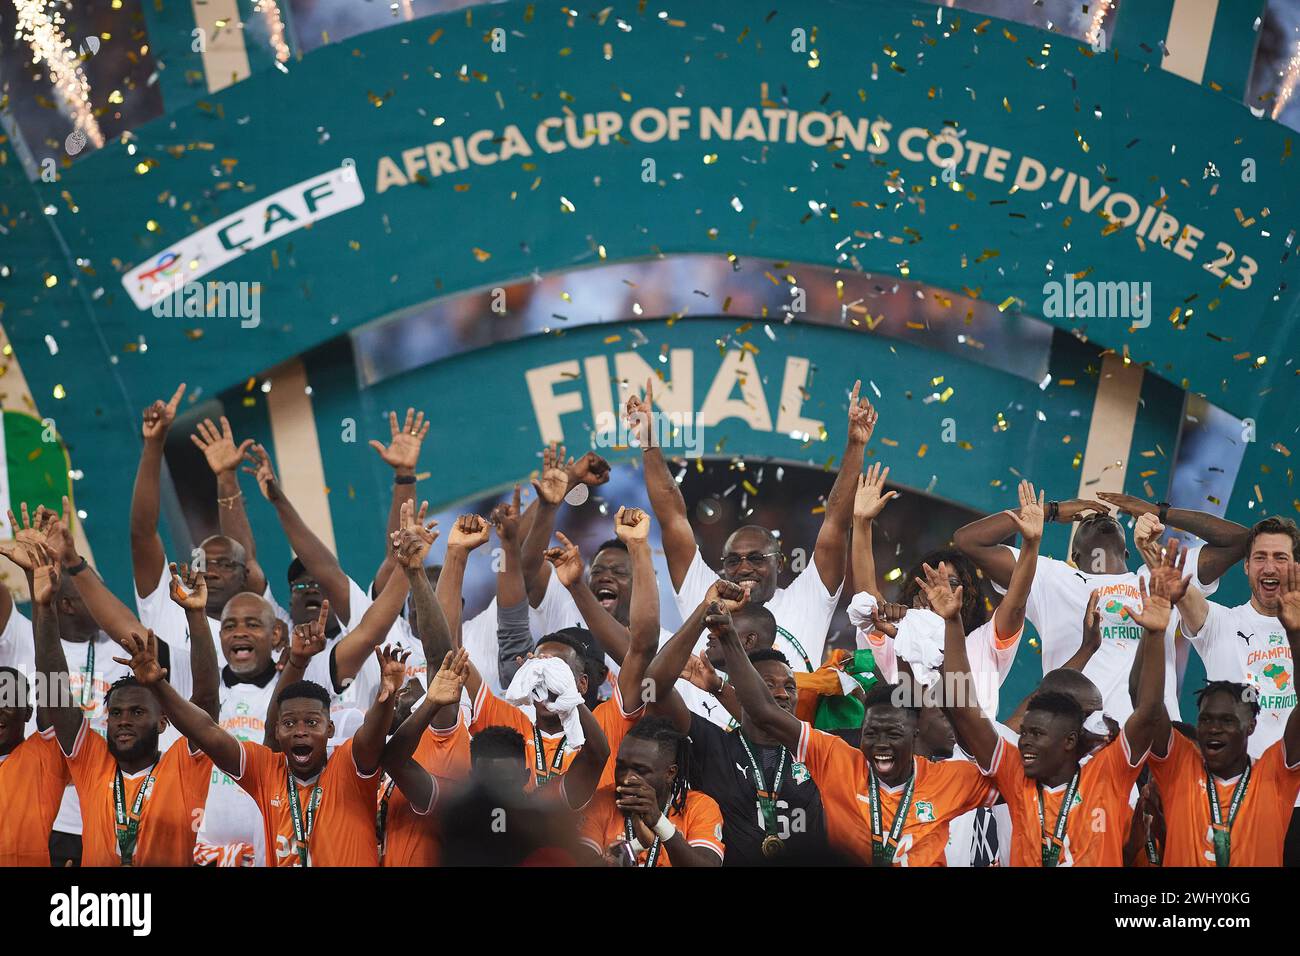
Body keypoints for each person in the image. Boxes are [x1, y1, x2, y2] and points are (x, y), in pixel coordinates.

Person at [940, 539, 1187, 866]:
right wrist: (952, 624)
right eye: (1025, 731)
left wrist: (1155, 635)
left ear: (1071, 739)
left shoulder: (1108, 773)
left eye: (1036, 734)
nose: (1023, 739)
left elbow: (1149, 711)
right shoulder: (1016, 772)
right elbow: (962, 710)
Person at [709, 593, 996, 866]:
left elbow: (962, 712)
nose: (881, 744)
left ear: (915, 736)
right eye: (871, 733)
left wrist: (951, 626)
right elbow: (765, 712)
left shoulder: (950, 778)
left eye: (894, 734)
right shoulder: (836, 760)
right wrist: (729, 637)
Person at [630, 377, 877, 675]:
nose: (744, 567)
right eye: (733, 560)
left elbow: (836, 523)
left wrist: (855, 446)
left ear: (781, 563)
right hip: (704, 725)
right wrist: (648, 444)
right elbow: (672, 518)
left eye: (757, 558)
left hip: (789, 723)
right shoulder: (704, 595)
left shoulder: (808, 599)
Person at [953, 491, 1247, 722]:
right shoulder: (1051, 578)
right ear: (1075, 555)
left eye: (1110, 520)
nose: (1098, 518)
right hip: (1075, 750)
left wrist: (1160, 512)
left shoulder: (1160, 575)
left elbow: (1241, 542)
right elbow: (968, 541)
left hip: (1151, 745)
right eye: (1085, 521)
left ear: (1128, 551)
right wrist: (1051, 511)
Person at [28, 537, 216, 867]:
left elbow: (206, 702)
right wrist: (43, 610)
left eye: (137, 711)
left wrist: (196, 617)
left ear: (163, 722)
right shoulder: (92, 763)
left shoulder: (183, 767)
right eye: (115, 713)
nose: (123, 720)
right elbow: (56, 693)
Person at [643, 579, 828, 862]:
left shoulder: (818, 751)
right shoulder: (712, 745)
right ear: (745, 691)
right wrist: (704, 612)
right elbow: (654, 688)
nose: (781, 693)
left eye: (789, 687)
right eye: (767, 685)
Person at [1143, 560, 1300, 866]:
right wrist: (1154, 635)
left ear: (1251, 726)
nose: (1213, 728)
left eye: (1227, 721)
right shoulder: (1179, 768)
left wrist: (1294, 636)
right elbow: (1148, 708)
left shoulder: (1274, 775)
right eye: (1206, 720)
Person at [129, 387, 289, 666]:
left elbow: (243, 555)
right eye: (204, 563)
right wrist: (153, 446)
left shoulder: (260, 620)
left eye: (225, 565)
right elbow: (142, 535)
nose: (211, 572)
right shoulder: (168, 605)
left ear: (244, 576)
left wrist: (227, 478)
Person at [579, 717, 725, 867]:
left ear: (670, 773)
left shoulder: (700, 807)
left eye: (641, 770)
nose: (626, 779)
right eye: (621, 766)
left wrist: (658, 822)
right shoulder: (601, 800)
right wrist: (632, 848)